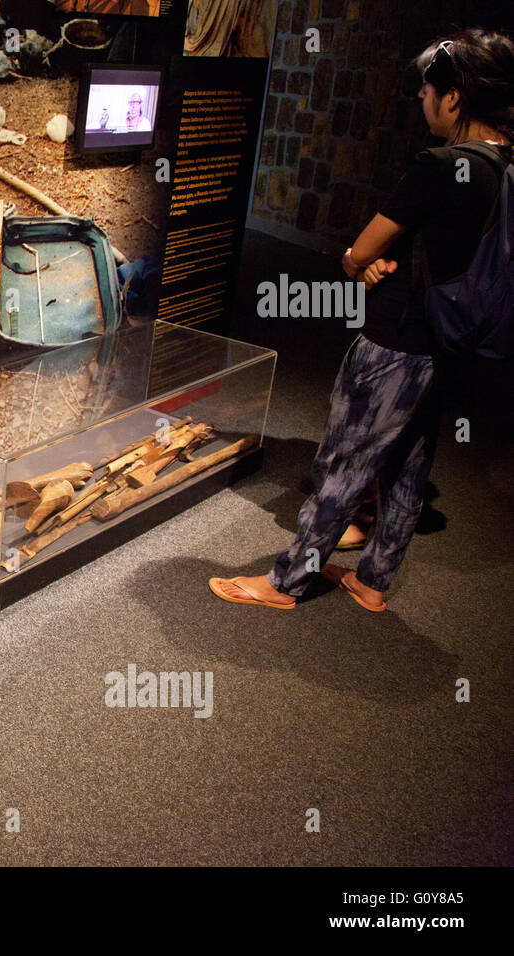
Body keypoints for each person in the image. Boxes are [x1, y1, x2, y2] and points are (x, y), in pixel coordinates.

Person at [210, 28, 514, 614]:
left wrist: (358, 264)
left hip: (397, 340)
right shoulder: (504, 169)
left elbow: (359, 250)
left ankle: (287, 581)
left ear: (455, 97)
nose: (422, 100)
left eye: (428, 89)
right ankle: (373, 581)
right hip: (453, 344)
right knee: (411, 461)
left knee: (345, 459)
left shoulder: (441, 165)